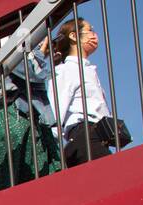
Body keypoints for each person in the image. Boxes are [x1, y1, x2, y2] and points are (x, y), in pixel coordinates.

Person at [0, 38, 60, 197]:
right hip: (6, 112)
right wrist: (34, 57)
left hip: (28, 116)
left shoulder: (17, 36)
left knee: (37, 190)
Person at [50, 18, 117, 167]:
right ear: (73, 36)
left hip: (97, 138)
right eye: (90, 30)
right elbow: (55, 113)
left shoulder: (86, 69)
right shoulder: (67, 70)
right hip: (85, 137)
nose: (95, 35)